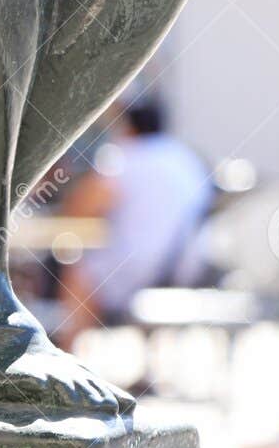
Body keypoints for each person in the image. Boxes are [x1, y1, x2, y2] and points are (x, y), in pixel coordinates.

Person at [57, 102, 214, 346]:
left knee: (78, 266)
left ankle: (68, 350)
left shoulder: (123, 158)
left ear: (128, 127)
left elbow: (79, 210)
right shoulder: (184, 157)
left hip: (136, 267)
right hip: (187, 265)